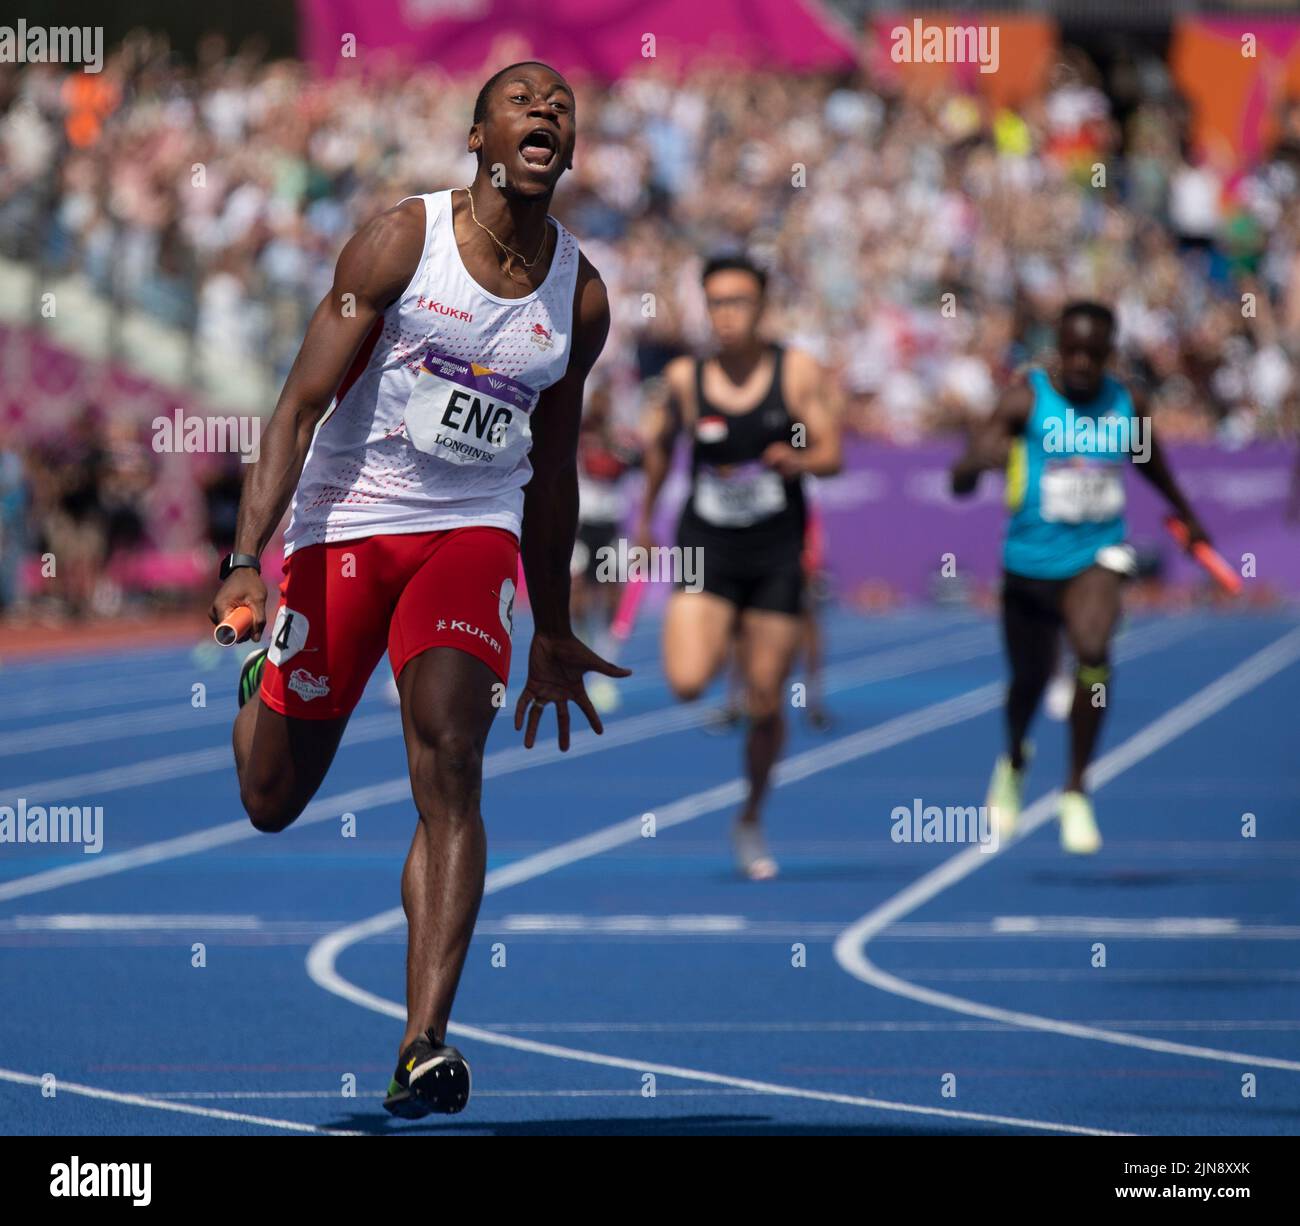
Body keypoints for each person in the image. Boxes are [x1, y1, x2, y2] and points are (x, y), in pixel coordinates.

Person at [207, 62, 627, 1118]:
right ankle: (271, 677)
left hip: (472, 532)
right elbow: (299, 404)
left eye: (560, 105)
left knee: (450, 753)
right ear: (478, 134)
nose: (545, 109)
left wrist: (557, 623)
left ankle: (422, 1041)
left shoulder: (578, 296)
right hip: (348, 522)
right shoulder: (404, 240)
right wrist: (248, 555)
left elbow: (558, 466)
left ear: (569, 152)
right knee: (270, 800)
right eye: (521, 99)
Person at [951, 301, 1209, 853]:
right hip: (1027, 564)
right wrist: (979, 462)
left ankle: (1075, 788)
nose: (1082, 364)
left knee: (1092, 652)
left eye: (1094, 354)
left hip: (1098, 557)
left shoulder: (1127, 404)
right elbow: (960, 481)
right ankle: (1015, 759)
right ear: (1058, 350)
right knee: (1027, 684)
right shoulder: (1026, 400)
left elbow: (1150, 462)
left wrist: (1187, 516)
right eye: (1072, 352)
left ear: (1109, 354)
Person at [638, 254, 841, 880]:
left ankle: (750, 816)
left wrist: (797, 460)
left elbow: (832, 452)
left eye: (739, 303)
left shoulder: (795, 370)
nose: (727, 316)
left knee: (764, 701)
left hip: (776, 551)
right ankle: (723, 630)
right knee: (688, 681)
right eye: (717, 303)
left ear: (762, 307)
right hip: (708, 547)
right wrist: (645, 521)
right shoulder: (684, 379)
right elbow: (658, 448)